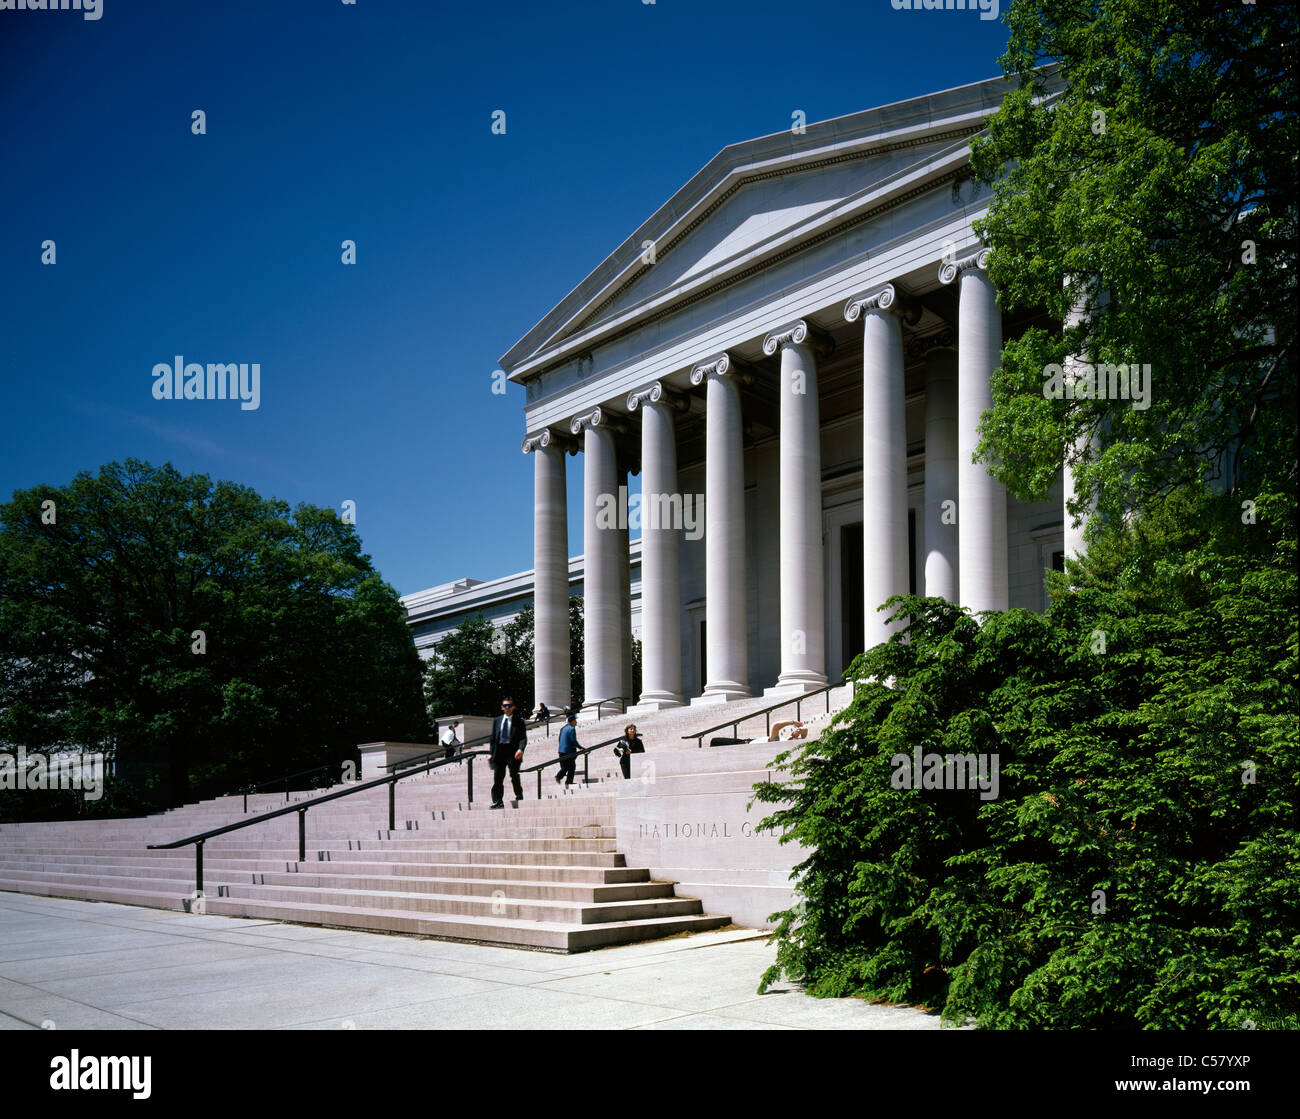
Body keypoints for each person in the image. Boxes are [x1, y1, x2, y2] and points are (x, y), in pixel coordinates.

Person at [488, 697, 527, 808]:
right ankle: (497, 801)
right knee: (498, 778)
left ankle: (519, 795)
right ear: (502, 707)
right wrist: (491, 753)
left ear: (513, 707)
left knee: (514, 775)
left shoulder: (519, 721)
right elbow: (493, 738)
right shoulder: (497, 720)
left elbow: (523, 738)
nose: (507, 708)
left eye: (509, 705)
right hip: (499, 753)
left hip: (513, 753)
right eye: (505, 705)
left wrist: (520, 749)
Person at [555, 711, 579, 788]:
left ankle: (566, 780)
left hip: (561, 750)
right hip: (569, 751)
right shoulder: (572, 728)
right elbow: (573, 740)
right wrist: (580, 747)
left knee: (567, 766)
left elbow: (559, 739)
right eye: (575, 721)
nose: (576, 722)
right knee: (571, 767)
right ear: (572, 721)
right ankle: (561, 778)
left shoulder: (563, 728)